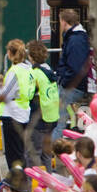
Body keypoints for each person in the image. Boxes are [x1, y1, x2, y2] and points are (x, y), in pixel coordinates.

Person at [0, 39, 35, 170]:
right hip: (24, 113)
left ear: (10, 53)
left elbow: (5, 95)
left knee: (13, 154)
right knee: (20, 151)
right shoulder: (29, 70)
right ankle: (20, 177)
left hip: (12, 115)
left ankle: (17, 179)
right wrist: (2, 80)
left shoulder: (15, 71)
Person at [53, 8, 93, 140]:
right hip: (74, 85)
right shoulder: (77, 38)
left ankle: (54, 146)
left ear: (64, 22)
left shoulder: (75, 40)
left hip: (72, 87)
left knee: (60, 123)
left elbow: (75, 67)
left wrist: (64, 82)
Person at [26, 41, 60, 170]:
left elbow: (28, 94)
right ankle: (48, 179)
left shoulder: (34, 73)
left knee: (34, 153)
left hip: (40, 117)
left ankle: (34, 181)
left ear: (31, 57)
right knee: (46, 154)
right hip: (52, 115)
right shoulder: (49, 70)